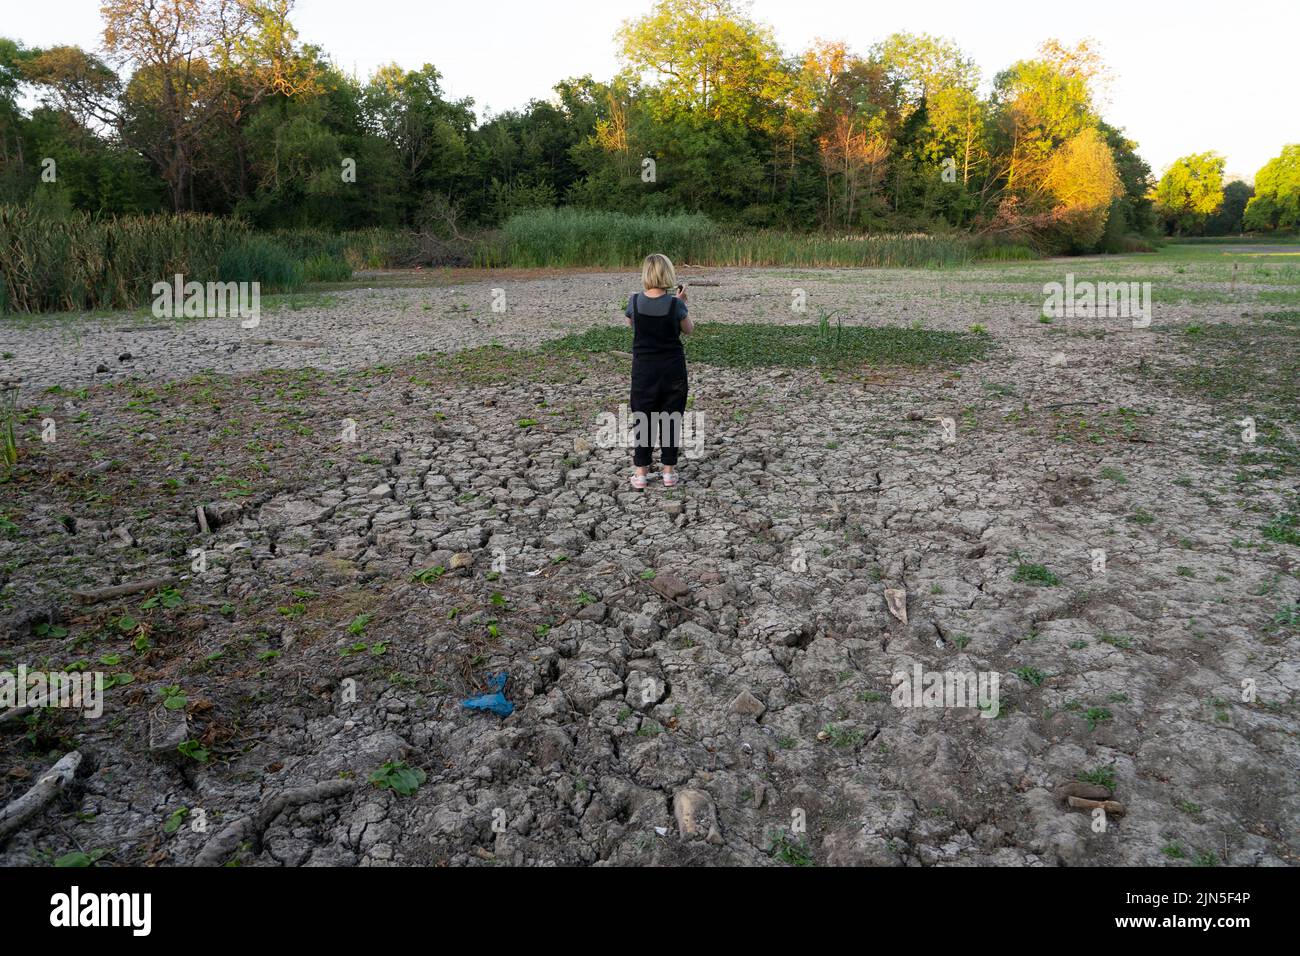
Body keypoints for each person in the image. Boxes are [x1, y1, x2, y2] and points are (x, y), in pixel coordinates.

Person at [624, 253, 694, 489]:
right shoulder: (675, 305)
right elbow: (689, 329)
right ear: (668, 274)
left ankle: (641, 472)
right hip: (672, 371)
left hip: (644, 371)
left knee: (643, 418)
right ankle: (668, 472)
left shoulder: (633, 301)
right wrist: (681, 302)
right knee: (671, 418)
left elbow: (632, 325)